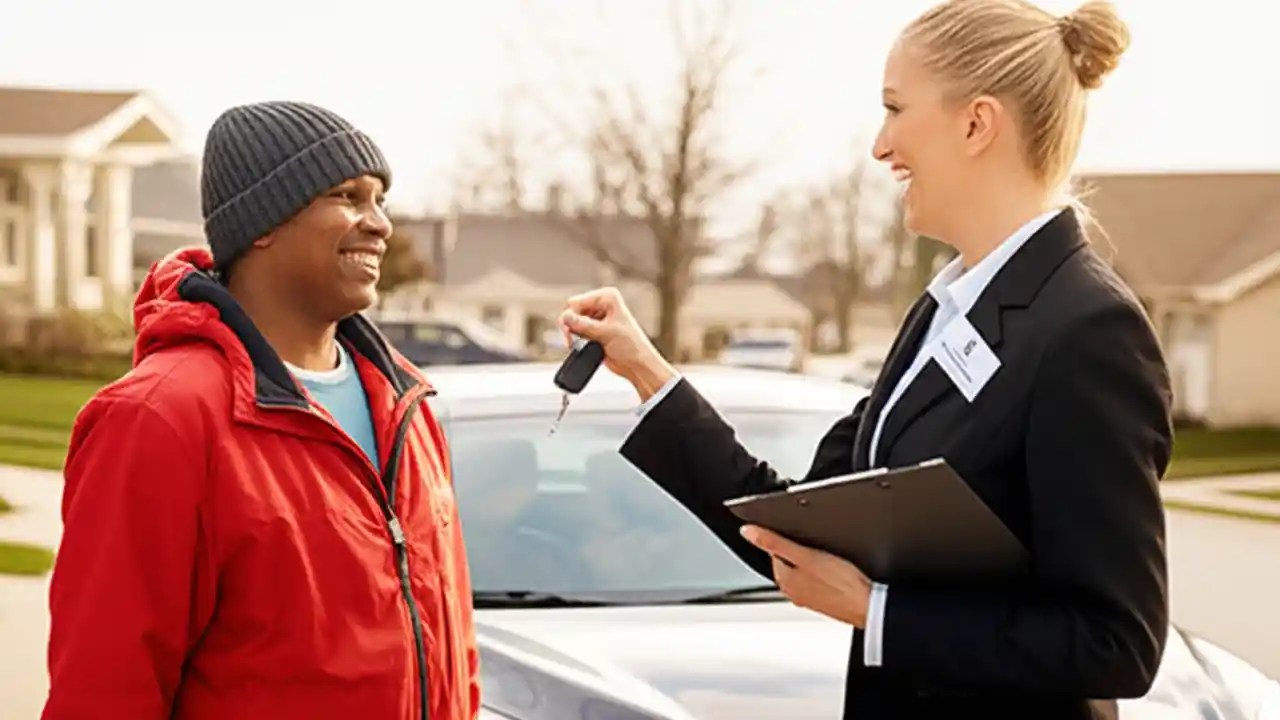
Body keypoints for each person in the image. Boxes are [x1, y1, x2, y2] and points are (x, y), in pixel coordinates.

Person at [558, 1, 1173, 717]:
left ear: (976, 123)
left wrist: (881, 614)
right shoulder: (943, 315)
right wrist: (648, 374)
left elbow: (1116, 642)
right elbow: (791, 530)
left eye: (895, 109)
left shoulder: (1089, 331)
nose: (881, 147)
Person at [43, 101, 479, 719]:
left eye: (379, 198)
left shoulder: (407, 408)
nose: (380, 223)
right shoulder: (159, 419)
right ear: (262, 224)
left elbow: (455, 650)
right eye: (348, 196)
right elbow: (105, 689)